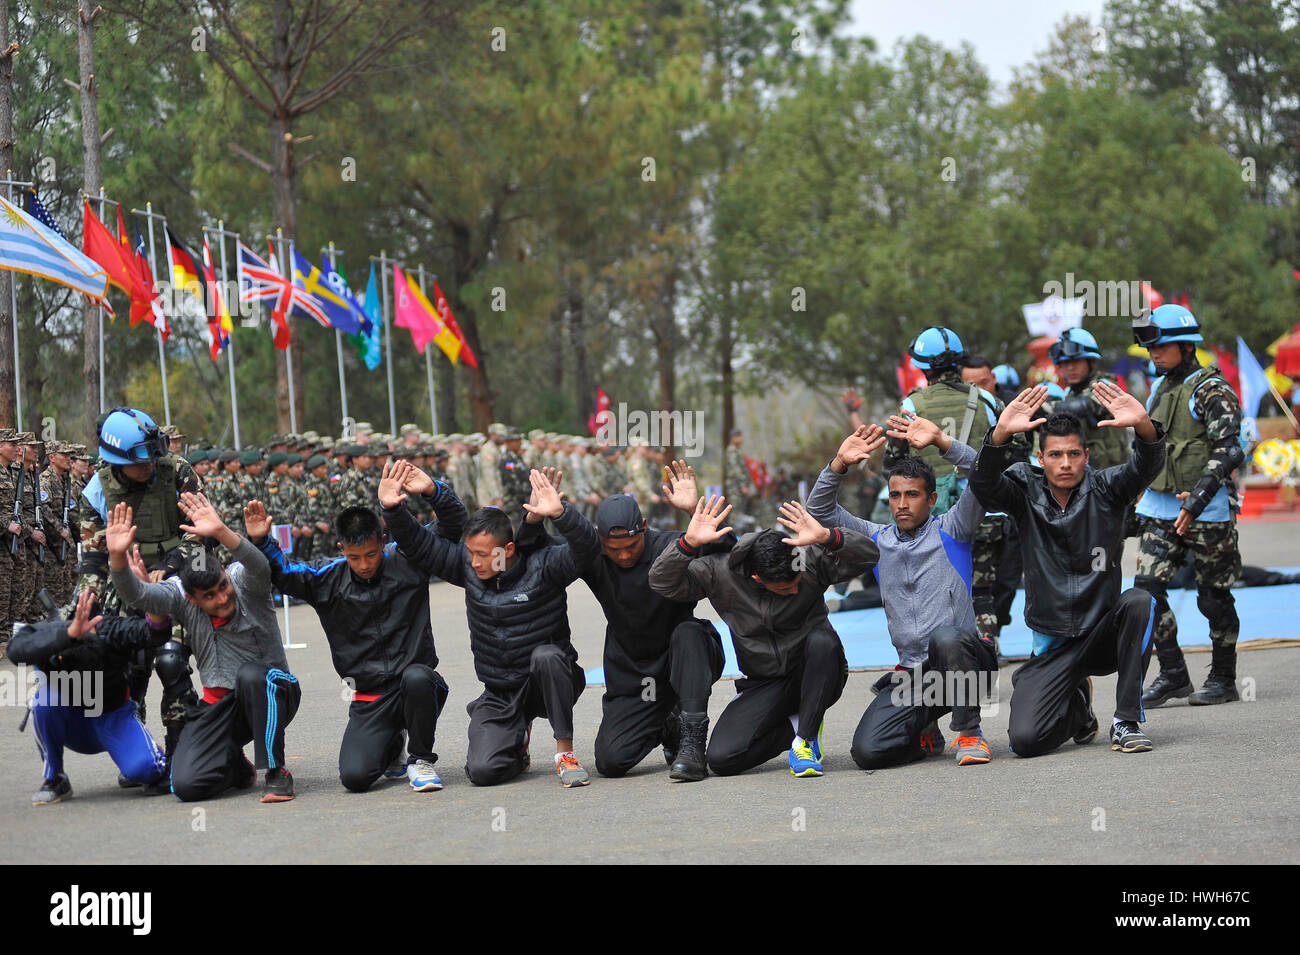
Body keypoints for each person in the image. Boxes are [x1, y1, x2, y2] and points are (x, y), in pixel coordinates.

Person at [969, 383, 1166, 756]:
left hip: (1100, 634)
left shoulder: (1108, 489)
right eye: (1055, 454)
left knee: (1140, 601)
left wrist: (1144, 427)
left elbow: (1146, 466)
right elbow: (983, 486)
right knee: (1026, 741)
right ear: (1040, 457)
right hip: (1052, 642)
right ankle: (1078, 710)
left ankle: (1125, 720)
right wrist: (998, 435)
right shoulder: (1022, 489)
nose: (1065, 463)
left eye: (1073, 454)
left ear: (1086, 456)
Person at [380, 463, 598, 788]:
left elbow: (588, 550)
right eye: (470, 553)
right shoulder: (469, 569)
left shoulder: (545, 566)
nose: (476, 562)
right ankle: (516, 746)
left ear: (508, 549)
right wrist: (392, 508)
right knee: (483, 772)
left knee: (547, 656)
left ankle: (564, 754)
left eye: (484, 555)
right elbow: (418, 545)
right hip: (500, 690)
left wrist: (560, 513)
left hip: (548, 681)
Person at [251, 467, 466, 794]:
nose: (364, 564)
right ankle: (392, 742)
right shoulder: (327, 580)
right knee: (355, 778)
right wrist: (261, 541)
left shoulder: (410, 556)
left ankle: (421, 760)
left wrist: (433, 490)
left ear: (383, 541)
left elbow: (453, 524)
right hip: (370, 697)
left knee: (419, 678)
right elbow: (283, 575)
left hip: (414, 681)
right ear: (341, 548)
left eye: (370, 554)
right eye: (354, 557)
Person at [518, 462, 729, 782]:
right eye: (614, 549)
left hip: (687, 658)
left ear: (643, 526)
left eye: (631, 547)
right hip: (635, 673)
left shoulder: (669, 545)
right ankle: (666, 725)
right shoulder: (593, 556)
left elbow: (729, 555)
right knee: (611, 761)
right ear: (600, 539)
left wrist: (691, 514)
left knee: (688, 632)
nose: (624, 556)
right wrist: (535, 519)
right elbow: (531, 552)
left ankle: (692, 744)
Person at [807, 413, 997, 768]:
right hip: (914, 675)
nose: (902, 504)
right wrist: (837, 465)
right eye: (895, 495)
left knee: (947, 639)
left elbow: (983, 473)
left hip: (968, 665)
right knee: (867, 753)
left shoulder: (954, 529)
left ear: (932, 498)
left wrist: (943, 442)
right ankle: (923, 730)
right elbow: (818, 511)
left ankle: (970, 732)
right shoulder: (878, 540)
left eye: (912, 495)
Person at [649, 495, 879, 777]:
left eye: (796, 584)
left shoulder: (805, 559)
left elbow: (870, 556)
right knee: (722, 759)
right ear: (757, 579)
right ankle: (798, 726)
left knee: (822, 640)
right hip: (763, 682)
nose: (794, 591)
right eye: (784, 589)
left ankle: (805, 740)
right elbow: (661, 581)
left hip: (816, 670)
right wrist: (687, 545)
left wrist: (829, 537)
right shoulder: (719, 572)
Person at [107, 492, 300, 802]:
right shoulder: (179, 597)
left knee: (251, 675)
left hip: (273, 692)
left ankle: (277, 772)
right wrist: (118, 559)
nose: (222, 598)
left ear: (226, 574)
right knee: (186, 786)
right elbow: (140, 596)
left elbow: (258, 564)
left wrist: (222, 531)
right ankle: (235, 766)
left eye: (222, 586)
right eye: (210, 596)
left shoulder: (245, 584)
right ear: (192, 598)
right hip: (220, 707)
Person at [1132, 305, 1246, 707]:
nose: (1153, 354)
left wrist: (1197, 499)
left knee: (1213, 596)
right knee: (1145, 593)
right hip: (1162, 510)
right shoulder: (1158, 390)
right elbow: (1148, 450)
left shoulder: (1211, 388)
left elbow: (1231, 448)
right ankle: (1174, 674)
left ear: (1185, 344)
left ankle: (1224, 678)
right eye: (1149, 348)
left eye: (1160, 346)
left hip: (1208, 512)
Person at [10, 589, 169, 805]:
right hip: (74, 725)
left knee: (148, 770)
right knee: (44, 699)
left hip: (114, 718)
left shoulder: (110, 629)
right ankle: (55, 777)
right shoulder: (56, 632)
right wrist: (67, 635)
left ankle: (147, 749)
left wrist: (151, 598)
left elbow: (155, 633)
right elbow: (15, 650)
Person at [1049, 328, 1132, 470]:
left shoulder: (1106, 384)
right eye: (1064, 363)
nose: (1070, 368)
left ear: (1091, 362)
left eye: (1076, 361)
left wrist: (1045, 407)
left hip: (1113, 476)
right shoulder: (1069, 393)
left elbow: (1084, 406)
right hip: (1081, 472)